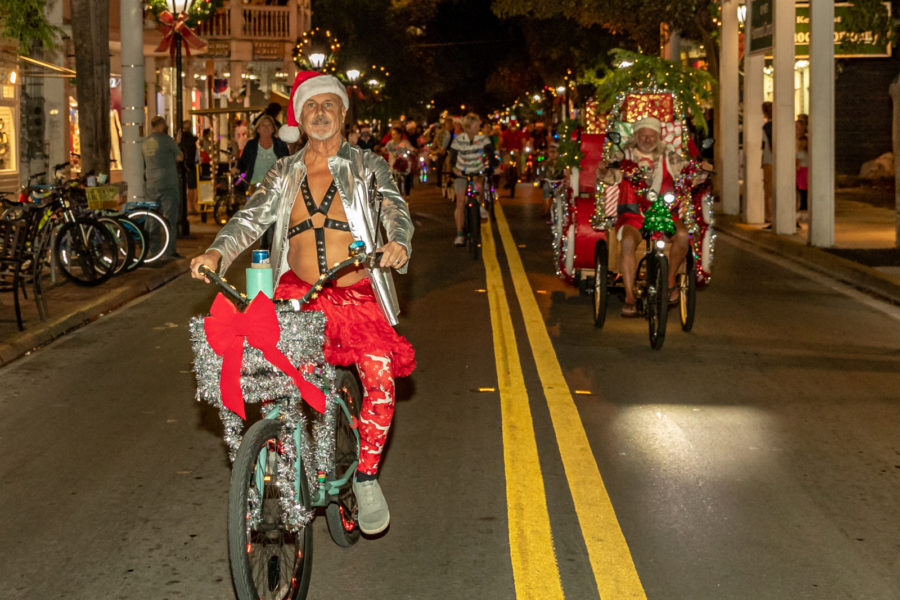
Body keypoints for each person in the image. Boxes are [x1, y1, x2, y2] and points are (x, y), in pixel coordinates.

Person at [190, 71, 414, 536]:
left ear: (344, 113)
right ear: (300, 115)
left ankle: (368, 476)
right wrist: (216, 251)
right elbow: (250, 218)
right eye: (311, 107)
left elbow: (394, 207)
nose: (320, 113)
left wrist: (398, 241)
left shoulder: (369, 165)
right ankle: (284, 460)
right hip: (299, 293)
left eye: (329, 105)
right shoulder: (284, 171)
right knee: (277, 383)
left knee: (380, 377)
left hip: (356, 294)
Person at [597, 116, 689, 316]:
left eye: (651, 136)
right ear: (636, 136)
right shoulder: (623, 156)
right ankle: (630, 296)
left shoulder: (670, 157)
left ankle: (670, 279)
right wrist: (604, 170)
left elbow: (688, 174)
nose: (647, 140)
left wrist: (701, 172)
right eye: (643, 135)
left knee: (683, 237)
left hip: (664, 214)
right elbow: (609, 177)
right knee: (628, 242)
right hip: (633, 216)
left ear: (658, 137)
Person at [142, 116, 182, 259]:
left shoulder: (145, 142)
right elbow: (180, 157)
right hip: (168, 183)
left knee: (153, 217)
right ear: (160, 125)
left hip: (151, 184)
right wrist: (176, 144)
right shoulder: (166, 140)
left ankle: (155, 249)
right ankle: (170, 250)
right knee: (170, 218)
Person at [449, 112, 492, 246]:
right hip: (461, 172)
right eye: (475, 126)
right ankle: (460, 233)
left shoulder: (483, 139)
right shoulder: (458, 140)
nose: (478, 128)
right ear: (467, 127)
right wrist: (454, 169)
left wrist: (492, 166)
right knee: (460, 201)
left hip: (476, 171)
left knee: (478, 184)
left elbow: (490, 153)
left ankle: (479, 206)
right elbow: (453, 158)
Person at [236, 114, 290, 186]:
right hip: (254, 185)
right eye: (263, 125)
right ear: (258, 129)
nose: (266, 128)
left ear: (273, 129)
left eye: (269, 125)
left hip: (275, 186)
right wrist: (236, 169)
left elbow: (287, 163)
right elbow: (243, 163)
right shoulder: (251, 144)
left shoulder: (279, 144)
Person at [384, 127, 416, 197]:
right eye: (392, 134)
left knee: (407, 176)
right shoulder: (390, 143)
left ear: (400, 134)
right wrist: (382, 150)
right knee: (392, 178)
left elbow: (411, 149)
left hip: (404, 163)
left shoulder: (405, 142)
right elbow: (385, 149)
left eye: (395, 134)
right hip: (393, 164)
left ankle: (407, 193)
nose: (393, 136)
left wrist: (414, 150)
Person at [176, 120, 199, 215]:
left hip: (189, 164)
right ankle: (191, 207)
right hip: (189, 165)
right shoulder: (188, 138)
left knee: (191, 187)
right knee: (190, 187)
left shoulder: (187, 138)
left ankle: (191, 207)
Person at [761, 101, 774, 229]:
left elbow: (767, 145)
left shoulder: (767, 127)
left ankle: (769, 216)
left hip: (769, 161)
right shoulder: (780, 124)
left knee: (768, 190)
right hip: (776, 160)